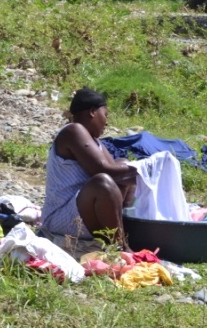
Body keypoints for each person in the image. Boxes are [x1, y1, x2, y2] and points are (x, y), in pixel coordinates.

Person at [40, 88, 137, 251]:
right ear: (92, 112)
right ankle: (120, 246)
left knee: (123, 165)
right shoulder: (73, 130)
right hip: (61, 218)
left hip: (82, 210)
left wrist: (145, 172)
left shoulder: (95, 141)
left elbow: (117, 171)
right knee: (103, 181)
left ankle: (125, 231)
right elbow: (103, 170)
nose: (106, 122)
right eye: (105, 115)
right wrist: (140, 169)